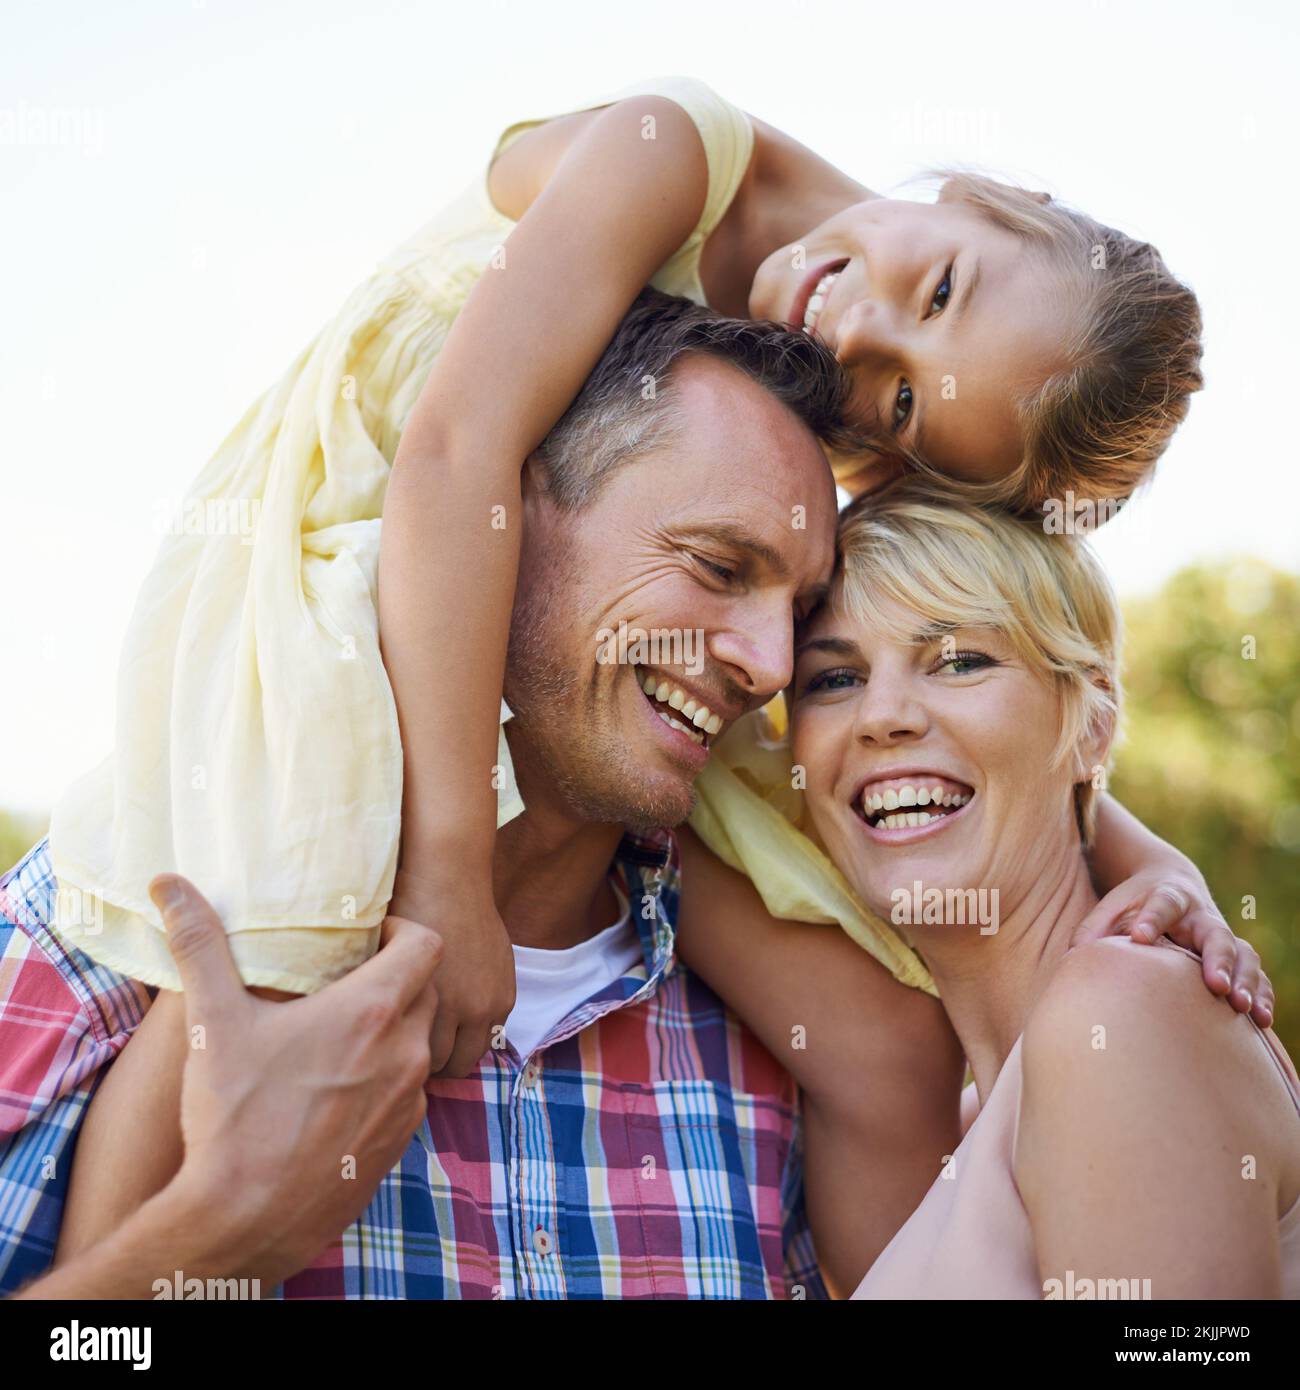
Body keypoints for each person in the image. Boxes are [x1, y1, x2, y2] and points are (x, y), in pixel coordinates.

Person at [3, 297, 1245, 1300]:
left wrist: (1150, 868)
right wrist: (208, 1236)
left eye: (796, 620)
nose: (765, 663)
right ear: (509, 516)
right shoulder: (105, 940)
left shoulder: (802, 1042)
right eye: (716, 565)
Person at [45, 77, 1205, 1096]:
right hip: (362, 570)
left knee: (881, 1035)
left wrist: (1152, 865)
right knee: (294, 923)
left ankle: (1036, 1161)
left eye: (902, 400)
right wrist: (447, 873)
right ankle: (132, 1236)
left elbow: (1006, 672)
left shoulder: (830, 408)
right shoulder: (675, 154)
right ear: (994, 200)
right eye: (941, 288)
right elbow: (456, 451)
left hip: (605, 661)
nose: (856, 331)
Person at [676, 481, 1297, 1298]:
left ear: (1093, 727)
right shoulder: (970, 1124)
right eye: (834, 679)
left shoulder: (1121, 1011)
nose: (881, 716)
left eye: (960, 660)